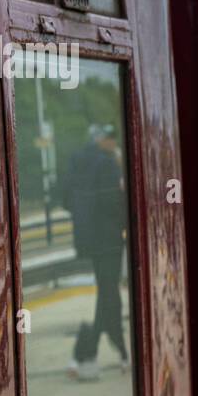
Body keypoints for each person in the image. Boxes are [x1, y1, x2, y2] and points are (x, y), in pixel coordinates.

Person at [62, 124, 129, 380]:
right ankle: (83, 355)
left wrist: (86, 219)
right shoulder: (109, 164)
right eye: (111, 139)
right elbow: (115, 203)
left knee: (108, 293)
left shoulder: (78, 161)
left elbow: (67, 199)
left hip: (90, 240)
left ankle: (119, 352)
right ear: (103, 141)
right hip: (110, 240)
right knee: (109, 294)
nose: (114, 144)